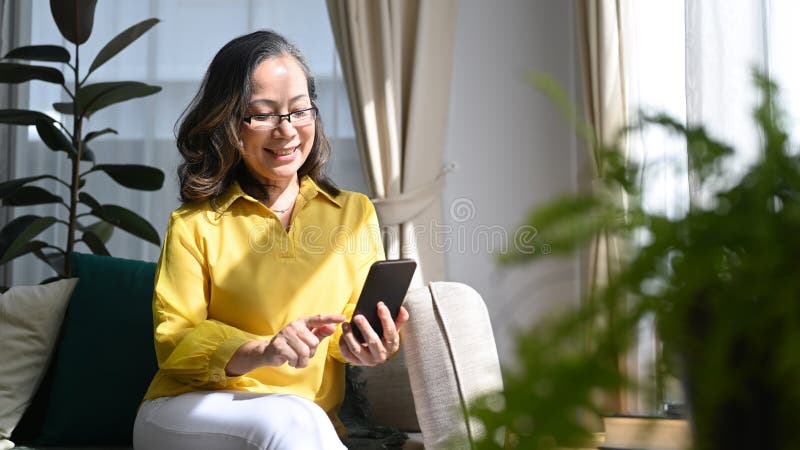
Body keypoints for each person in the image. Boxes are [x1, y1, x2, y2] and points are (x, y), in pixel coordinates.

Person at [132, 30, 409, 450]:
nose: (287, 131)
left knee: (298, 415)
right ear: (228, 122)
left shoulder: (353, 213)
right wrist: (265, 349)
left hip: (306, 419)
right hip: (187, 409)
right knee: (289, 417)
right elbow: (176, 343)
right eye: (263, 115)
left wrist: (363, 345)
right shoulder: (194, 223)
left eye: (300, 111)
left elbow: (343, 329)